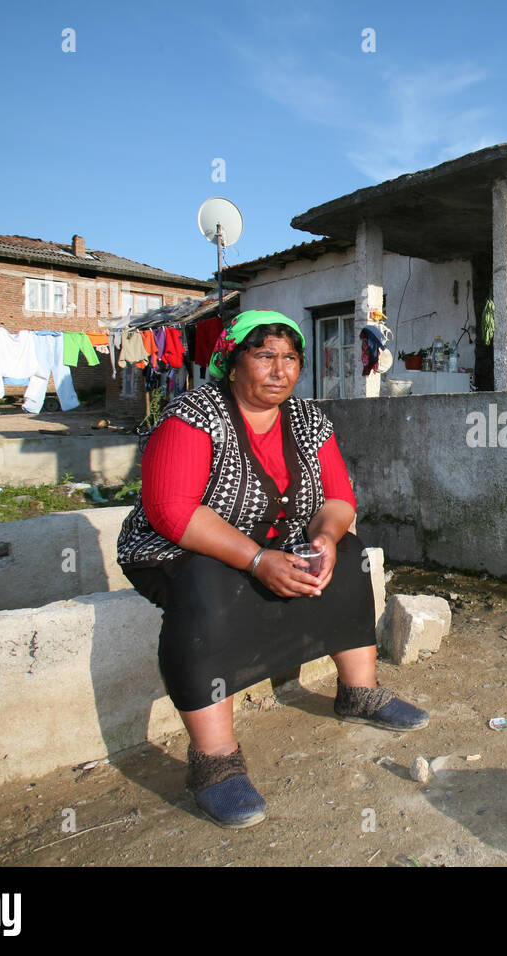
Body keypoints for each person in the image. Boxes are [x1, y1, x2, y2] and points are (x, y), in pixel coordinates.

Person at [116, 310, 427, 829]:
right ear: (233, 364)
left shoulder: (307, 420)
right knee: (207, 584)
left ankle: (358, 692)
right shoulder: (193, 413)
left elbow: (339, 499)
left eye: (290, 358)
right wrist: (258, 561)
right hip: (179, 550)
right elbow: (172, 511)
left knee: (346, 554)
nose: (279, 370)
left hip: (274, 544)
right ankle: (214, 762)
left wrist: (325, 538)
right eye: (264, 356)